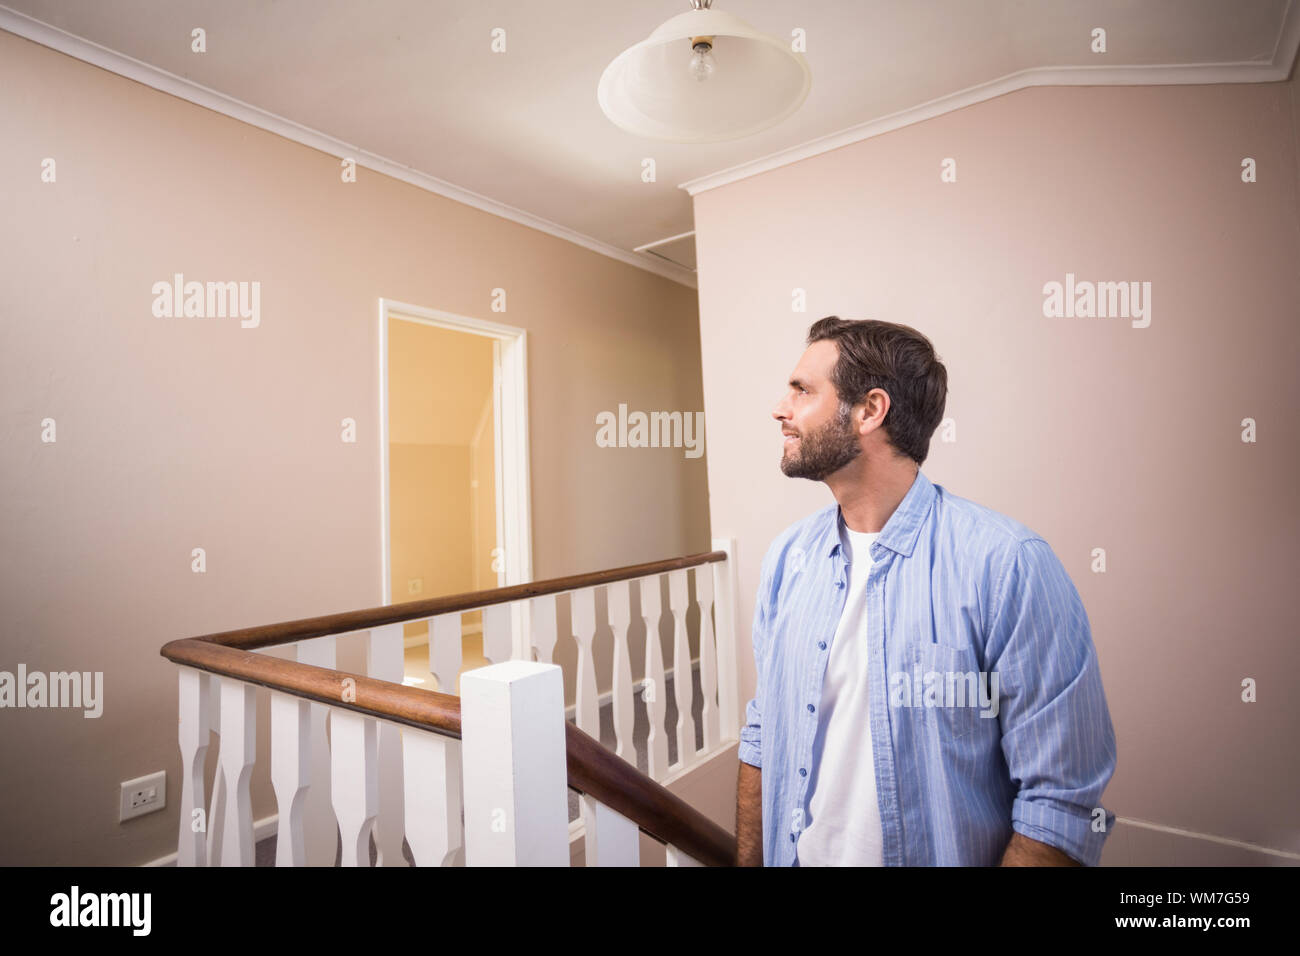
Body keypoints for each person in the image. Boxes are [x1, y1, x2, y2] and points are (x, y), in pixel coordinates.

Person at [735, 316, 1117, 867]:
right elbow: (763, 735)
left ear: (870, 410)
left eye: (801, 390)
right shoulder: (786, 560)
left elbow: (1059, 807)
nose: (780, 408)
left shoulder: (1008, 566)